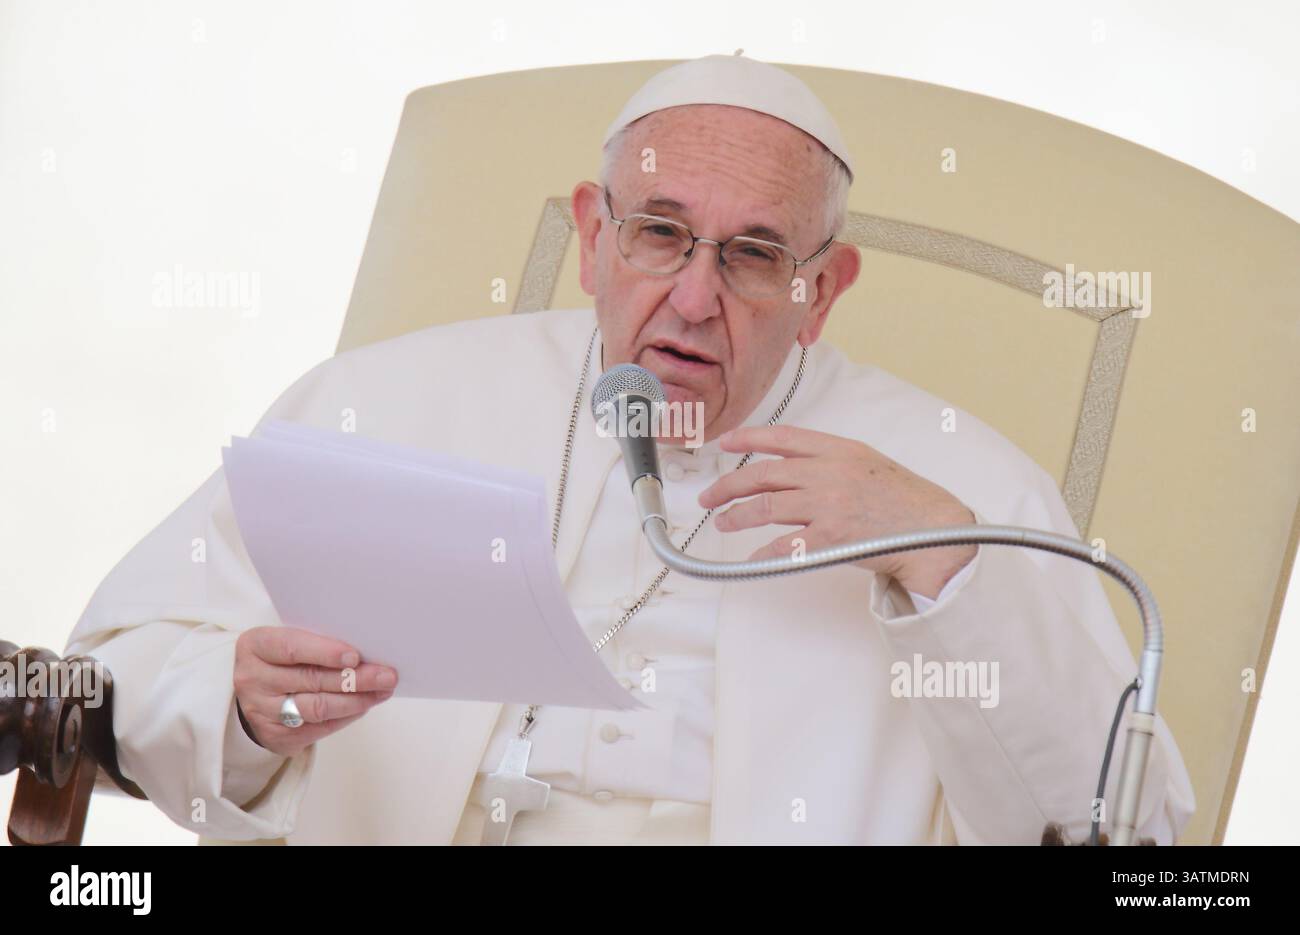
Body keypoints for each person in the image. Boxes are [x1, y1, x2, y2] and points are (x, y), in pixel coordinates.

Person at [66, 53, 1195, 845]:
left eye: (755, 255)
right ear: (593, 235)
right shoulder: (389, 402)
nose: (694, 299)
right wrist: (239, 703)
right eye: (659, 232)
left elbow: (1120, 835)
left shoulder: (955, 487)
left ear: (822, 288)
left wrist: (948, 568)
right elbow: (109, 677)